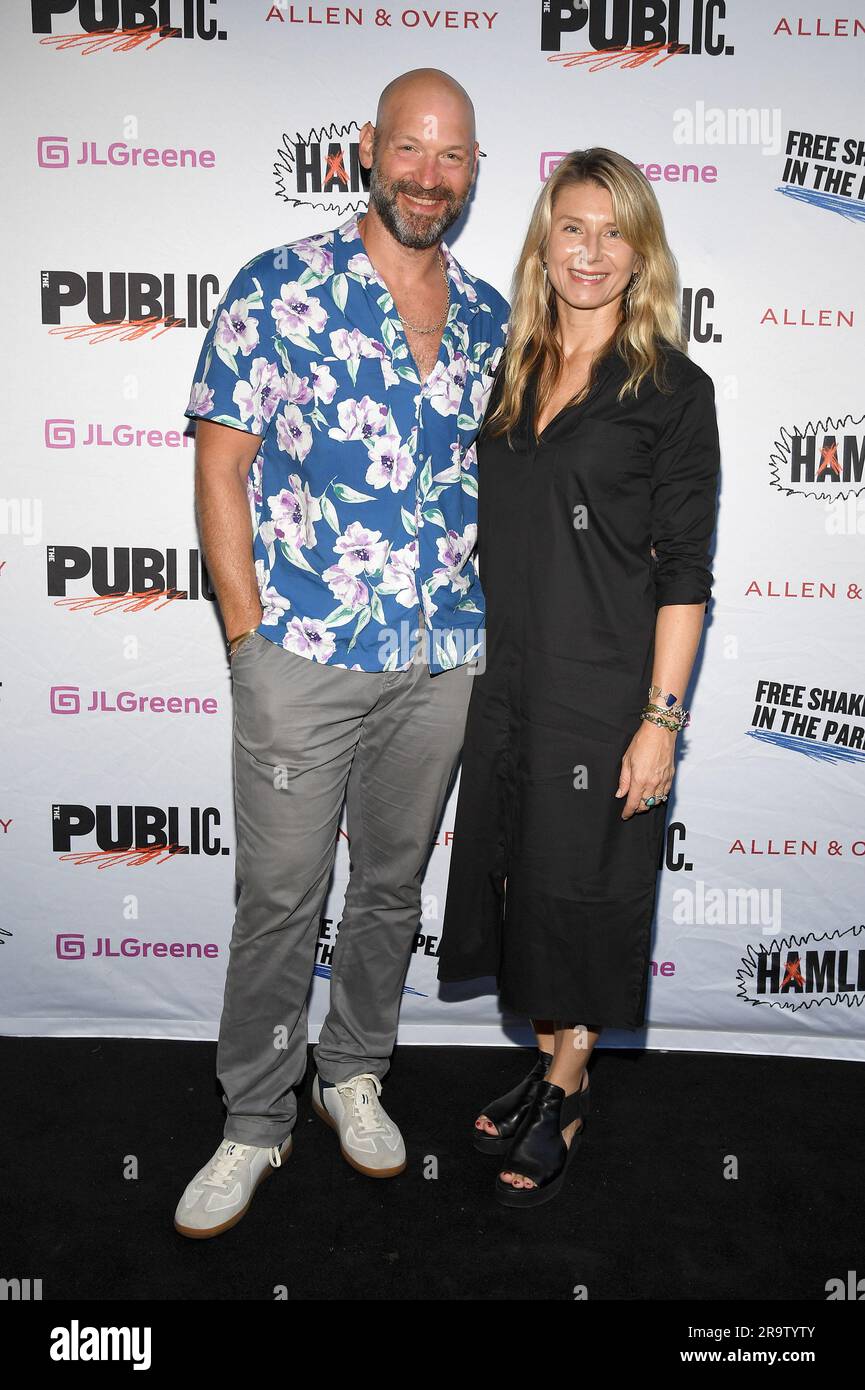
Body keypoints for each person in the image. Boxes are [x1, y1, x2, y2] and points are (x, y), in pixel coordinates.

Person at [174, 67, 508, 1238]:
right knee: (278, 896)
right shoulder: (279, 287)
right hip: (302, 654)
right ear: (368, 149)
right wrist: (246, 639)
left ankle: (351, 1072)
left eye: (452, 156)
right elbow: (220, 466)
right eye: (410, 149)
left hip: (442, 658)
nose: (428, 175)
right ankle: (254, 1116)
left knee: (388, 889)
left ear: (474, 171)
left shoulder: (489, 318)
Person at [437, 148, 721, 1208]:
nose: (589, 251)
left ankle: (564, 1084)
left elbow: (684, 571)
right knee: (522, 887)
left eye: (613, 231)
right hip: (506, 679)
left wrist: (660, 718)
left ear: (639, 249)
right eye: (570, 227)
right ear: (542, 242)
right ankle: (553, 1056)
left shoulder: (670, 391)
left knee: (586, 893)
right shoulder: (512, 368)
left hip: (607, 689)